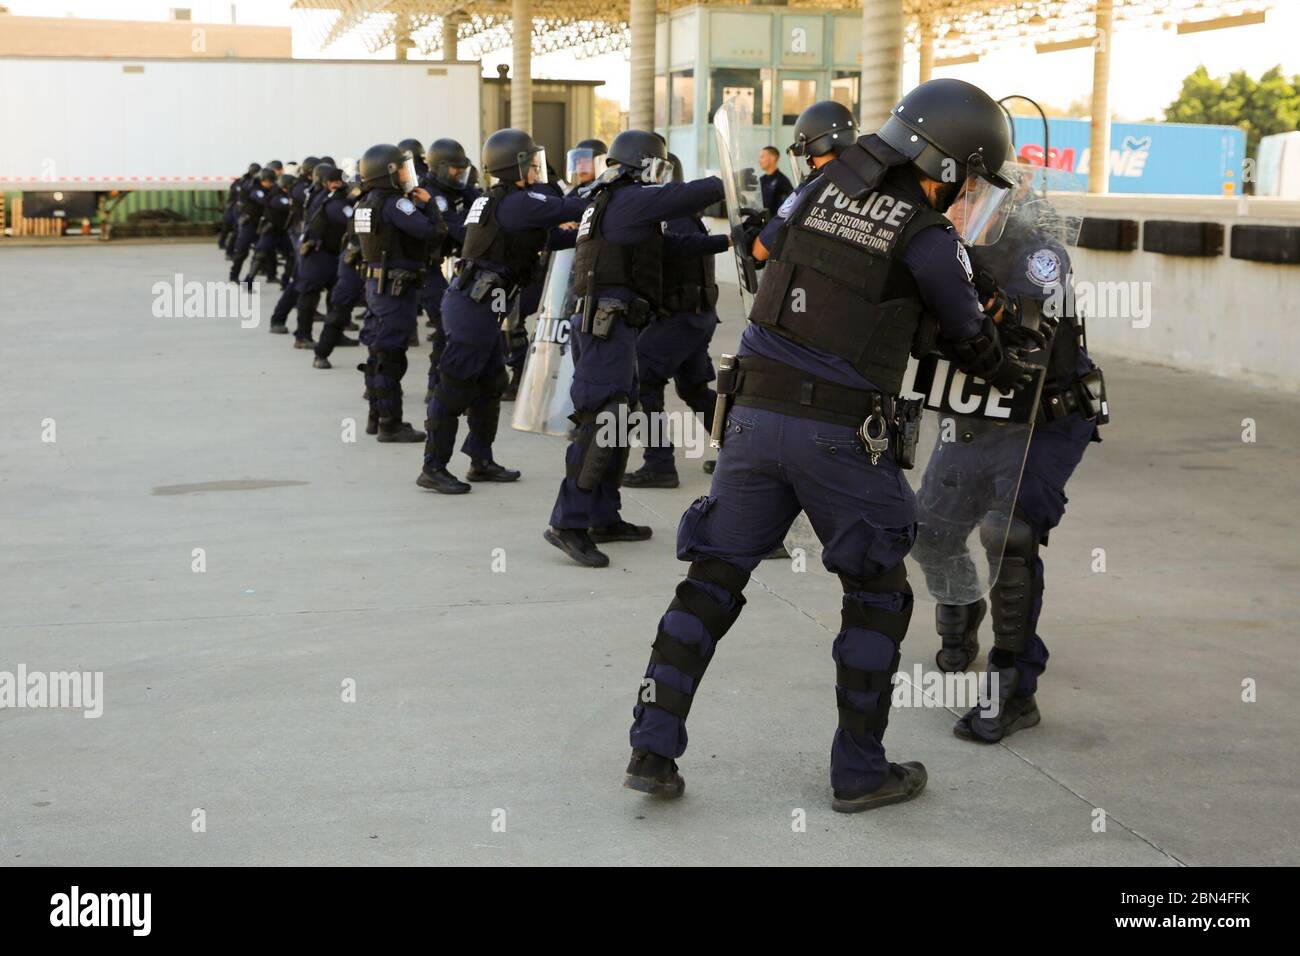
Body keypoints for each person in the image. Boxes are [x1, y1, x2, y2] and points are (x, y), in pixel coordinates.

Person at [621, 81, 1036, 813]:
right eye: (969, 177)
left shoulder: (817, 192)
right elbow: (969, 336)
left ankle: (651, 749)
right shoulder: (927, 235)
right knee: (877, 595)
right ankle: (859, 772)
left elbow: (769, 252)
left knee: (711, 581)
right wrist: (1015, 368)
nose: (968, 191)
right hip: (840, 435)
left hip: (748, 417)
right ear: (943, 165)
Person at [915, 172, 1107, 742]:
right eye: (955, 194)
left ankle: (1014, 685)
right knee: (930, 532)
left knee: (1010, 532)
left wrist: (959, 287)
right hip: (978, 413)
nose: (959, 206)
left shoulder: (1035, 250)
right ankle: (964, 604)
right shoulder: (931, 244)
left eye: (972, 195)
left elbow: (1027, 329)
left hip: (1046, 416)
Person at [543, 131, 726, 568]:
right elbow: (687, 195)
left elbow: (668, 248)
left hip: (618, 324)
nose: (659, 179)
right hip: (605, 323)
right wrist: (729, 182)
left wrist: (727, 240)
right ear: (640, 165)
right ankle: (567, 523)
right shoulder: (627, 198)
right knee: (602, 418)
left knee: (619, 420)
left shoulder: (614, 202)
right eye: (656, 168)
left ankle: (603, 515)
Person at [417, 128, 584, 494]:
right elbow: (569, 207)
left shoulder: (503, 201)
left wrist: (582, 235)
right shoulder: (516, 202)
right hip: (473, 306)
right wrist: (609, 192)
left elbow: (545, 237)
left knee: (491, 383)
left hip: (485, 303)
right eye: (531, 163)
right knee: (456, 385)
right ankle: (433, 466)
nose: (538, 171)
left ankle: (480, 460)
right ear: (515, 165)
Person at [623, 152, 728, 488]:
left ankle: (659, 464)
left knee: (642, 381)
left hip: (681, 319)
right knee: (695, 389)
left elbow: (674, 248)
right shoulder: (682, 213)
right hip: (692, 318)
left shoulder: (672, 218)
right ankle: (741, 454)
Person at [354, 143, 446, 443]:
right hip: (395, 288)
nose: (409, 173)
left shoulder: (365, 202)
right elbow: (432, 232)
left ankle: (375, 417)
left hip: (376, 285)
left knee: (378, 350)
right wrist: (430, 204)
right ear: (389, 172)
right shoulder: (395, 204)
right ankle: (390, 424)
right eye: (403, 167)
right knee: (391, 355)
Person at [418, 138, 480, 404]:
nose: (459, 173)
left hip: (443, 266)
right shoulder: (431, 194)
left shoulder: (454, 190)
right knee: (445, 328)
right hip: (424, 269)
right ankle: (435, 386)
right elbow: (459, 228)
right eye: (455, 168)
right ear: (442, 166)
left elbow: (478, 205)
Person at [290, 163, 349, 348]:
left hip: (331, 253)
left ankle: (335, 335)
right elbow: (349, 219)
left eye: (340, 182)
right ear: (326, 182)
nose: (337, 185)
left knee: (336, 296)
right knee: (309, 294)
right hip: (317, 253)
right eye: (333, 182)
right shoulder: (330, 200)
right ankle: (302, 337)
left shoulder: (332, 197)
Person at [758, 146, 793, 218]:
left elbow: (789, 207)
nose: (759, 160)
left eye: (762, 157)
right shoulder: (761, 180)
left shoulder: (782, 181)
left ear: (773, 158)